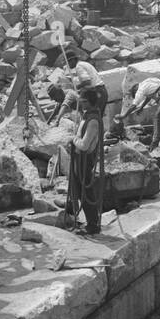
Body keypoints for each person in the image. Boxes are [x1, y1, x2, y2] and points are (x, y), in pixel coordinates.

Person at [65, 86, 105, 234]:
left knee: (86, 191)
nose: (81, 103)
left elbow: (84, 145)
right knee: (76, 185)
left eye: (84, 101)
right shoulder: (87, 116)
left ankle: (93, 225)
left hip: (85, 159)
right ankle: (72, 207)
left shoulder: (93, 121)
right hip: (79, 159)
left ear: (90, 102)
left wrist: (73, 138)